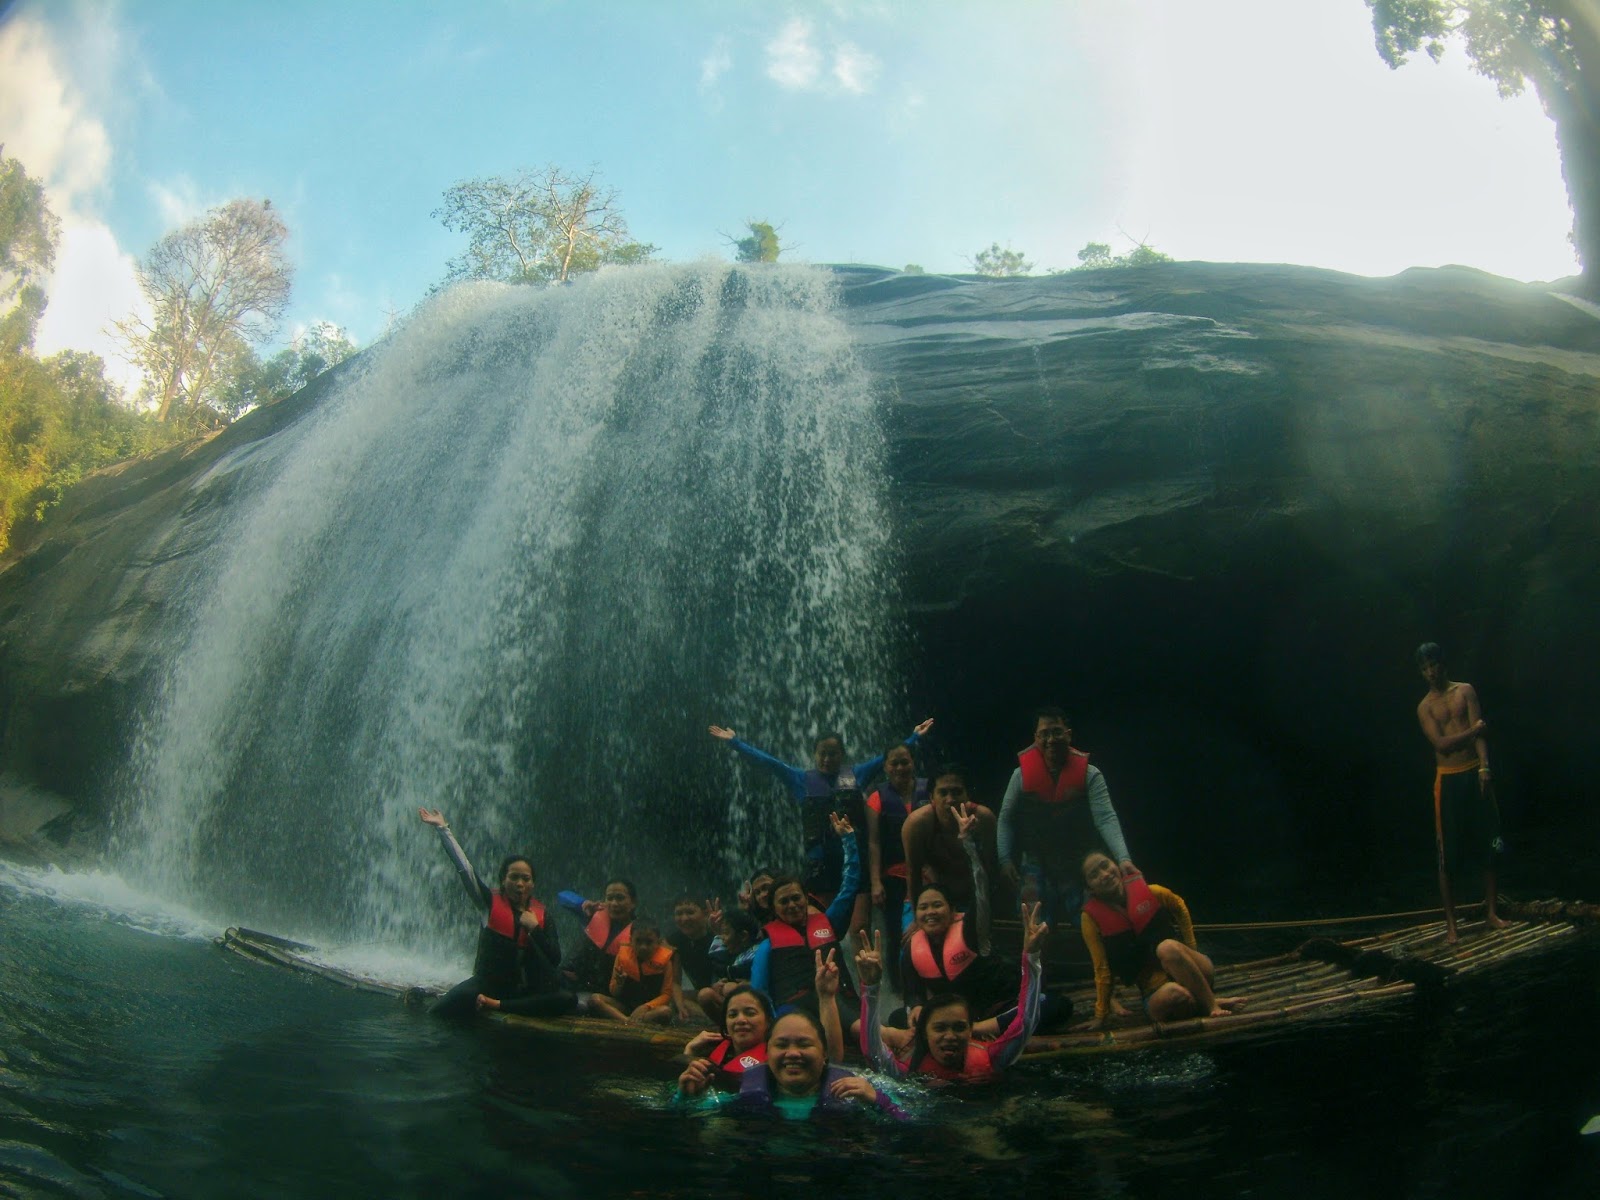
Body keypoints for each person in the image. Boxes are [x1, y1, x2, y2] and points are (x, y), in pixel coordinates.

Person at [708, 718, 934, 937]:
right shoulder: (801, 779)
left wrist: (914, 737)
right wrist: (734, 742)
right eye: (822, 753)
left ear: (842, 755)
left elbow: (887, 759)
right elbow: (769, 763)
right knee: (822, 928)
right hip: (821, 865)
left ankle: (866, 975)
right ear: (814, 754)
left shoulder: (856, 774)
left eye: (833, 753)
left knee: (860, 927)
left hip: (855, 861)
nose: (827, 759)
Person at [857, 902, 1049, 1084]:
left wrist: (1031, 957)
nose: (950, 1036)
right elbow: (872, 1051)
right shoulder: (908, 1070)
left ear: (970, 1030)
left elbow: (1026, 1021)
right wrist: (871, 986)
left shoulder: (992, 1058)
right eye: (940, 1028)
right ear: (924, 1033)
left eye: (959, 1028)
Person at [417, 807, 566, 1019]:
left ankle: (498, 1006)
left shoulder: (542, 916)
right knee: (435, 1014)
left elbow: (555, 958)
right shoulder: (487, 902)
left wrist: (534, 929)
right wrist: (443, 829)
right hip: (486, 985)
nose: (519, 884)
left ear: (533, 884)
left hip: (522, 989)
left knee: (567, 999)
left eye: (526, 879)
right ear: (503, 880)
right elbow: (465, 871)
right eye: (513, 877)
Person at [997, 707, 1135, 924]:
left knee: (1090, 919)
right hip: (1035, 859)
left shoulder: (1091, 774)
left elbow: (1106, 818)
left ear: (1068, 734)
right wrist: (1004, 860)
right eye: (1044, 734)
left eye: (1057, 732)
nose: (1051, 739)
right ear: (1036, 738)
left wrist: (1123, 859)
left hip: (1078, 861)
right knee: (1032, 921)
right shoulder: (1020, 776)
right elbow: (1006, 819)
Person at [1075, 851, 1243, 1028]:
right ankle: (1206, 999)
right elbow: (1101, 968)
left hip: (1194, 969)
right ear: (1090, 888)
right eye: (1094, 875)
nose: (1104, 874)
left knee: (1167, 948)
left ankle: (1212, 1005)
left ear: (1116, 865)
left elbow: (1179, 905)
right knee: (1177, 994)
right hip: (1154, 990)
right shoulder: (1090, 919)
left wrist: (1191, 948)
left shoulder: (1152, 891)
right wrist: (1101, 1014)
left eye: (1105, 865)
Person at [1416, 642, 1508, 944]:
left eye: (1435, 665)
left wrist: (1485, 767)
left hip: (1473, 772)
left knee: (1489, 842)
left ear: (1444, 664)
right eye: (1425, 667)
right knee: (1447, 855)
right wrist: (1474, 730)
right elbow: (1441, 745)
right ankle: (1452, 926)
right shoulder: (1425, 707)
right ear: (1422, 671)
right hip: (1448, 779)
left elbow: (1481, 736)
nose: (1431, 672)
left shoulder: (1465, 691)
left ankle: (1492, 912)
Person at [679, 948, 847, 1097]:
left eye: (750, 1013)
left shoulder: (778, 1059)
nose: (741, 1020)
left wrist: (826, 997)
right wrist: (689, 1053)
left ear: (768, 1021)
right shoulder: (715, 1051)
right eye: (732, 1014)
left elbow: (831, 1058)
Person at [687, 1008, 905, 1121]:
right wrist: (687, 1095)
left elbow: (909, 1123)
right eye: (781, 1045)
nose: (792, 1053)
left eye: (804, 1044)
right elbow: (685, 1117)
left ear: (824, 1054)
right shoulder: (739, 1091)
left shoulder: (859, 1093)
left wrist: (878, 1101)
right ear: (767, 1054)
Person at [750, 814, 861, 1028]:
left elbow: (850, 886)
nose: (791, 905)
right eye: (784, 901)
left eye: (796, 898)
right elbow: (759, 991)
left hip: (840, 1003)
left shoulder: (829, 922)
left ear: (806, 898)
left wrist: (849, 840)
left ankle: (886, 1037)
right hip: (794, 1011)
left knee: (846, 1015)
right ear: (773, 908)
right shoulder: (767, 945)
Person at [865, 741, 927, 986]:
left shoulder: (929, 790)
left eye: (905, 761)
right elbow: (874, 843)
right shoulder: (877, 798)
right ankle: (899, 988)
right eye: (895, 763)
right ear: (886, 767)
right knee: (894, 934)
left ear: (913, 763)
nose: (901, 767)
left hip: (926, 877)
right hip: (894, 878)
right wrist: (875, 881)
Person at [900, 764, 998, 916]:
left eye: (957, 792)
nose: (950, 799)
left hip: (973, 896)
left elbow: (989, 868)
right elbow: (913, 873)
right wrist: (916, 917)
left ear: (967, 796)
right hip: (929, 898)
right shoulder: (917, 824)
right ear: (932, 797)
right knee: (914, 937)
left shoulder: (984, 819)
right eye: (943, 793)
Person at [590, 916, 678, 1023]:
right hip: (624, 1007)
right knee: (595, 999)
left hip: (648, 1010)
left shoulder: (666, 963)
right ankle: (628, 1021)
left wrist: (646, 1006)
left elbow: (666, 995)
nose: (643, 947)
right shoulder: (622, 957)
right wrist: (619, 984)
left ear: (658, 943)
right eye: (638, 941)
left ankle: (632, 1021)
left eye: (649, 942)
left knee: (666, 1011)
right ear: (631, 941)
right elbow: (614, 993)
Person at [557, 878, 636, 992]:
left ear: (633, 902)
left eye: (620, 898)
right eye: (609, 898)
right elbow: (562, 896)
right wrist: (581, 903)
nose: (614, 903)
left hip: (604, 991)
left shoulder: (639, 932)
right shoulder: (594, 913)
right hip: (570, 979)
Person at [666, 895, 718, 1022]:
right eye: (679, 913)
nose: (684, 918)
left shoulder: (716, 935)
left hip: (721, 991)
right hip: (700, 992)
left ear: (705, 913)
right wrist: (680, 1006)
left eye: (690, 912)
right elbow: (676, 981)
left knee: (705, 995)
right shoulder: (674, 941)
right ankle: (710, 1022)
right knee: (673, 998)